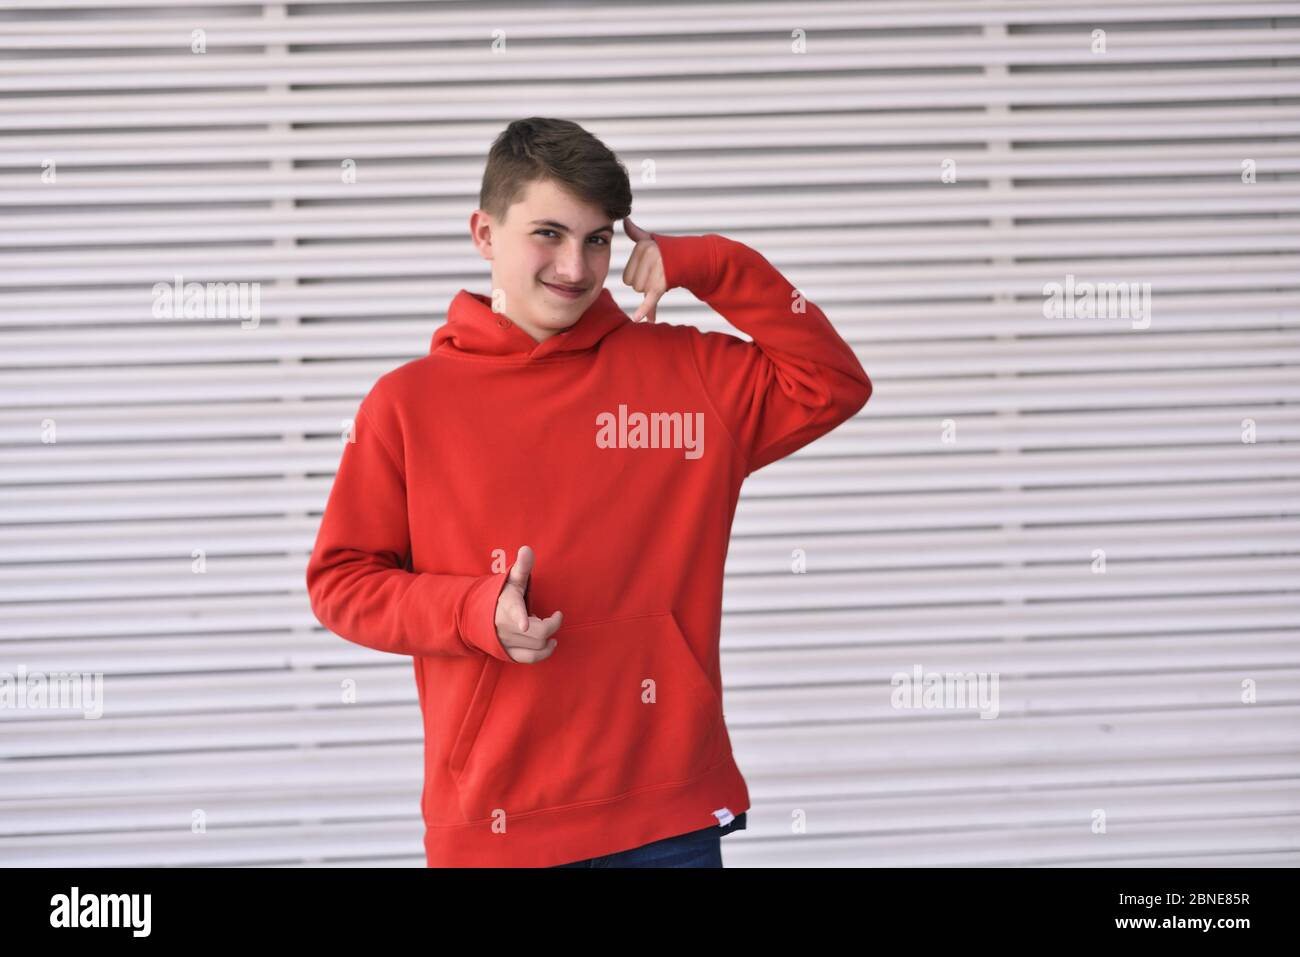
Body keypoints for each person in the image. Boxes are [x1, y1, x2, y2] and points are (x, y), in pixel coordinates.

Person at [305, 116, 872, 868]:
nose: (576, 266)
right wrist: (473, 611)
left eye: (598, 239)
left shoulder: (689, 377)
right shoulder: (406, 404)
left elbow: (831, 382)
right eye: (548, 233)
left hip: (666, 817)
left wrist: (712, 263)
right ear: (484, 233)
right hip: (497, 825)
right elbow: (341, 582)